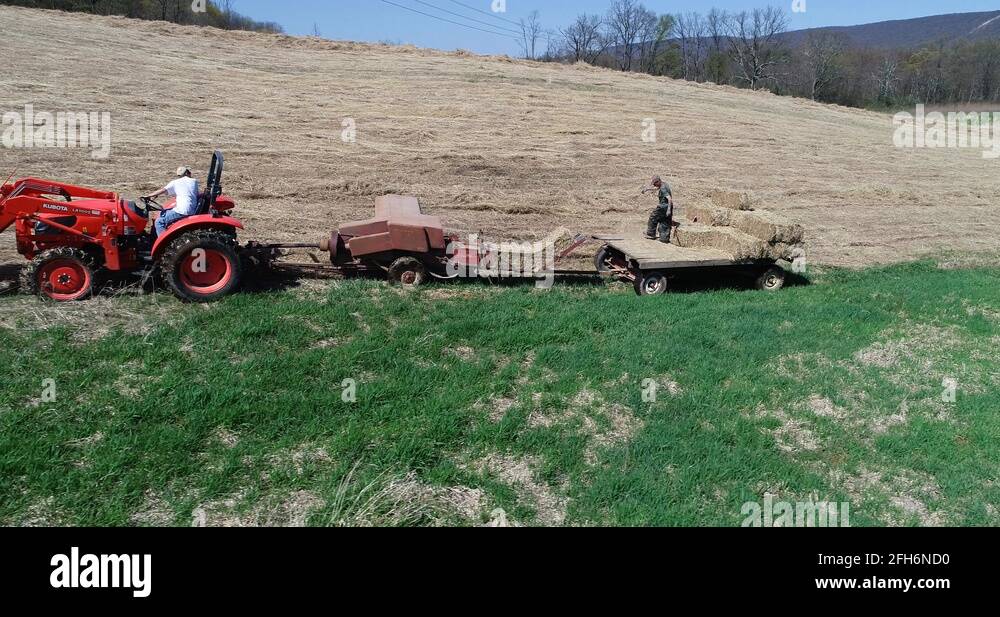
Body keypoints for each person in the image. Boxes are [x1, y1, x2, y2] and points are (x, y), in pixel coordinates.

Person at [143, 166, 200, 237]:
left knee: (159, 222)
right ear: (188, 173)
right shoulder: (194, 181)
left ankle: (162, 243)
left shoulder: (175, 182)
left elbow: (163, 190)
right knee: (162, 212)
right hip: (191, 209)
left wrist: (149, 196)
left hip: (182, 211)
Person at [644, 175, 673, 243]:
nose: (654, 185)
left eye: (655, 183)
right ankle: (664, 238)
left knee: (653, 217)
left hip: (664, 207)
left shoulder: (663, 188)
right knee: (664, 222)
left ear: (658, 181)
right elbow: (657, 188)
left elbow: (669, 199)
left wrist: (668, 210)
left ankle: (651, 234)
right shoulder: (664, 184)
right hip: (668, 207)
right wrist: (647, 189)